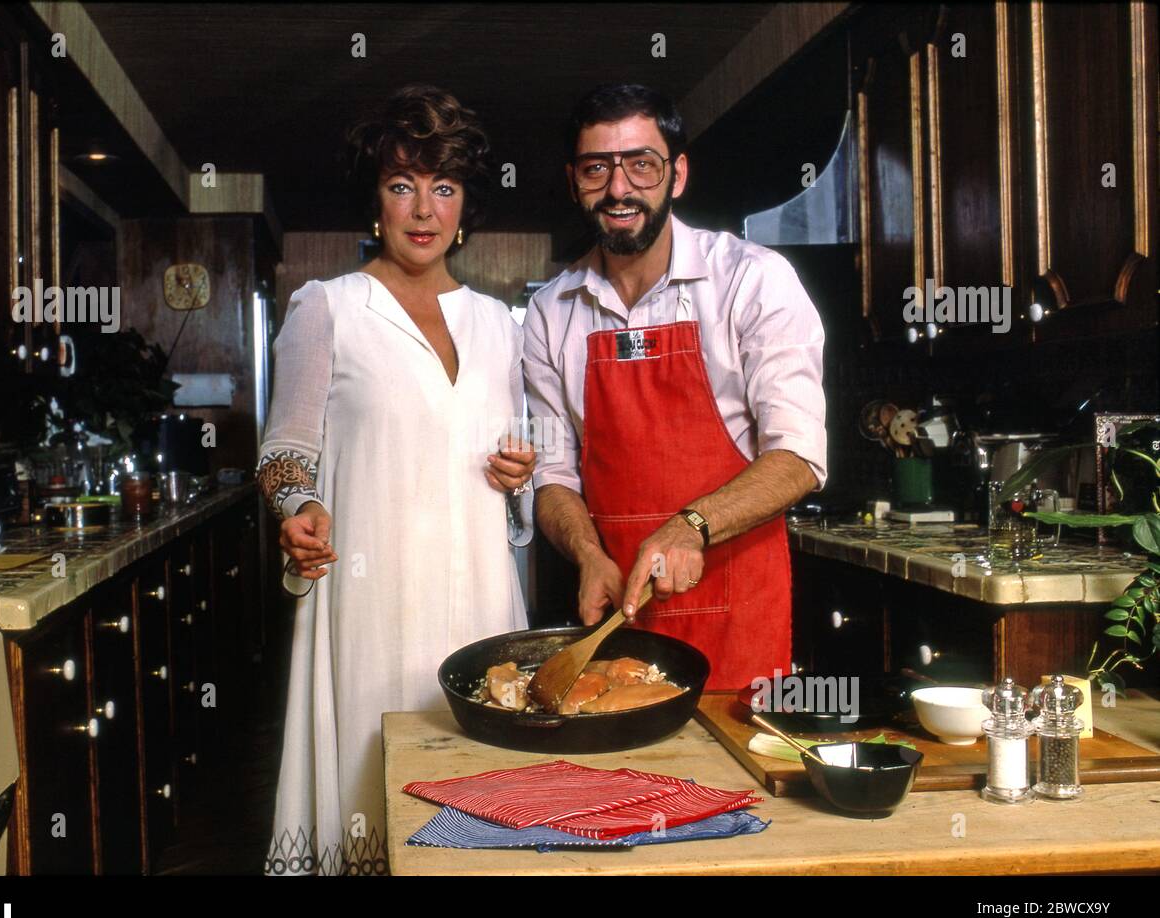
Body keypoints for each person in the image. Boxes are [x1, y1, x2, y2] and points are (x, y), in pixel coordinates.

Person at [258, 84, 535, 876]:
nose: (424, 209)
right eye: (402, 185)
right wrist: (298, 501)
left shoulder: (498, 324)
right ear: (375, 201)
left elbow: (517, 457)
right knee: (372, 803)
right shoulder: (329, 309)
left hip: (481, 594)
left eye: (443, 188)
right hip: (372, 600)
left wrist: (521, 474)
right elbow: (286, 448)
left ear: (464, 205)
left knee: (482, 795)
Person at [523, 83, 827, 691]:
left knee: (735, 784)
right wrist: (587, 555)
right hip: (616, 618)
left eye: (641, 164)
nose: (618, 189)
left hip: (737, 611)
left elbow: (799, 458)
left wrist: (692, 526)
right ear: (573, 180)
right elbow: (552, 475)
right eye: (596, 169)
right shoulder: (549, 311)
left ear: (677, 174)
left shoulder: (753, 282)